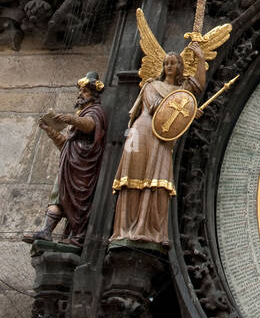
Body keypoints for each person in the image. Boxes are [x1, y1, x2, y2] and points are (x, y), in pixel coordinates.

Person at [110, 44, 205, 246]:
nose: (170, 66)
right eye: (167, 63)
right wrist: (187, 110)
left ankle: (151, 229)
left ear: (180, 67)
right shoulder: (151, 86)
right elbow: (155, 108)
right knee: (134, 178)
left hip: (163, 138)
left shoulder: (181, 90)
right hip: (142, 131)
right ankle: (125, 229)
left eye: (174, 63)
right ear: (162, 66)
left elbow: (198, 86)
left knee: (159, 181)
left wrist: (201, 59)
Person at [25, 72, 107, 247]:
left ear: (93, 94)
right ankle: (46, 231)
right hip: (68, 163)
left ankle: (77, 236)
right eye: (80, 91)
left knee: (78, 202)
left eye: (84, 91)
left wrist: (71, 119)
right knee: (57, 197)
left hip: (83, 166)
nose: (80, 94)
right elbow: (65, 143)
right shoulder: (81, 115)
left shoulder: (95, 111)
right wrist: (50, 131)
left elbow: (90, 125)